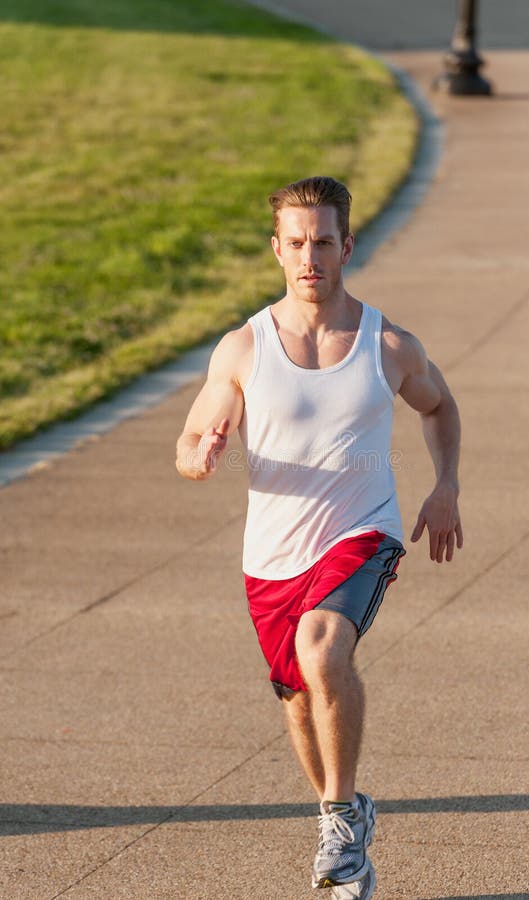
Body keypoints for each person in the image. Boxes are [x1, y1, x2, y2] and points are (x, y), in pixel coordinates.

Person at [176, 176, 462, 898]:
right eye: (296, 243)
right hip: (271, 556)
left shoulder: (385, 342)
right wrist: (201, 453)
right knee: (298, 699)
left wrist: (444, 483)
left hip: (360, 532)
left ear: (346, 246)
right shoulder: (241, 348)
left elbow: (438, 405)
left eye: (323, 242)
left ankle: (337, 818)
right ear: (277, 248)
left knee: (322, 647)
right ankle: (347, 823)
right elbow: (192, 432)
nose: (310, 257)